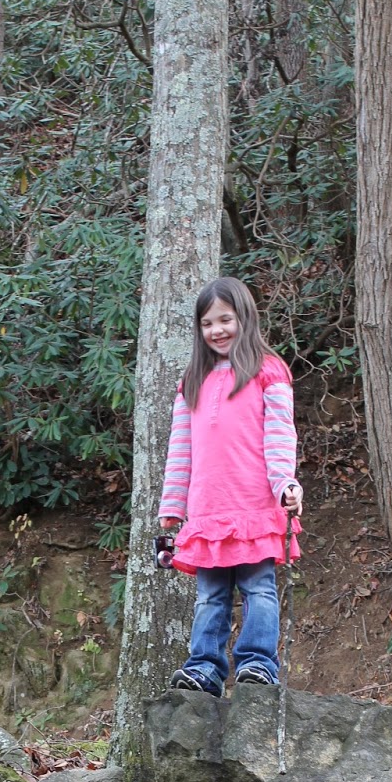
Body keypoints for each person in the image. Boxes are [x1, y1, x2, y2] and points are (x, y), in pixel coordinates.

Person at [158, 276, 303, 694]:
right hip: (207, 510)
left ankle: (258, 663)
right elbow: (180, 449)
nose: (218, 330)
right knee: (210, 595)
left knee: (258, 587)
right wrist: (173, 504)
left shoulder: (267, 370)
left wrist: (285, 485)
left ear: (245, 318)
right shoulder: (192, 381)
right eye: (208, 323)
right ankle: (205, 667)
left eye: (226, 319)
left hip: (255, 504)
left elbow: (280, 435)